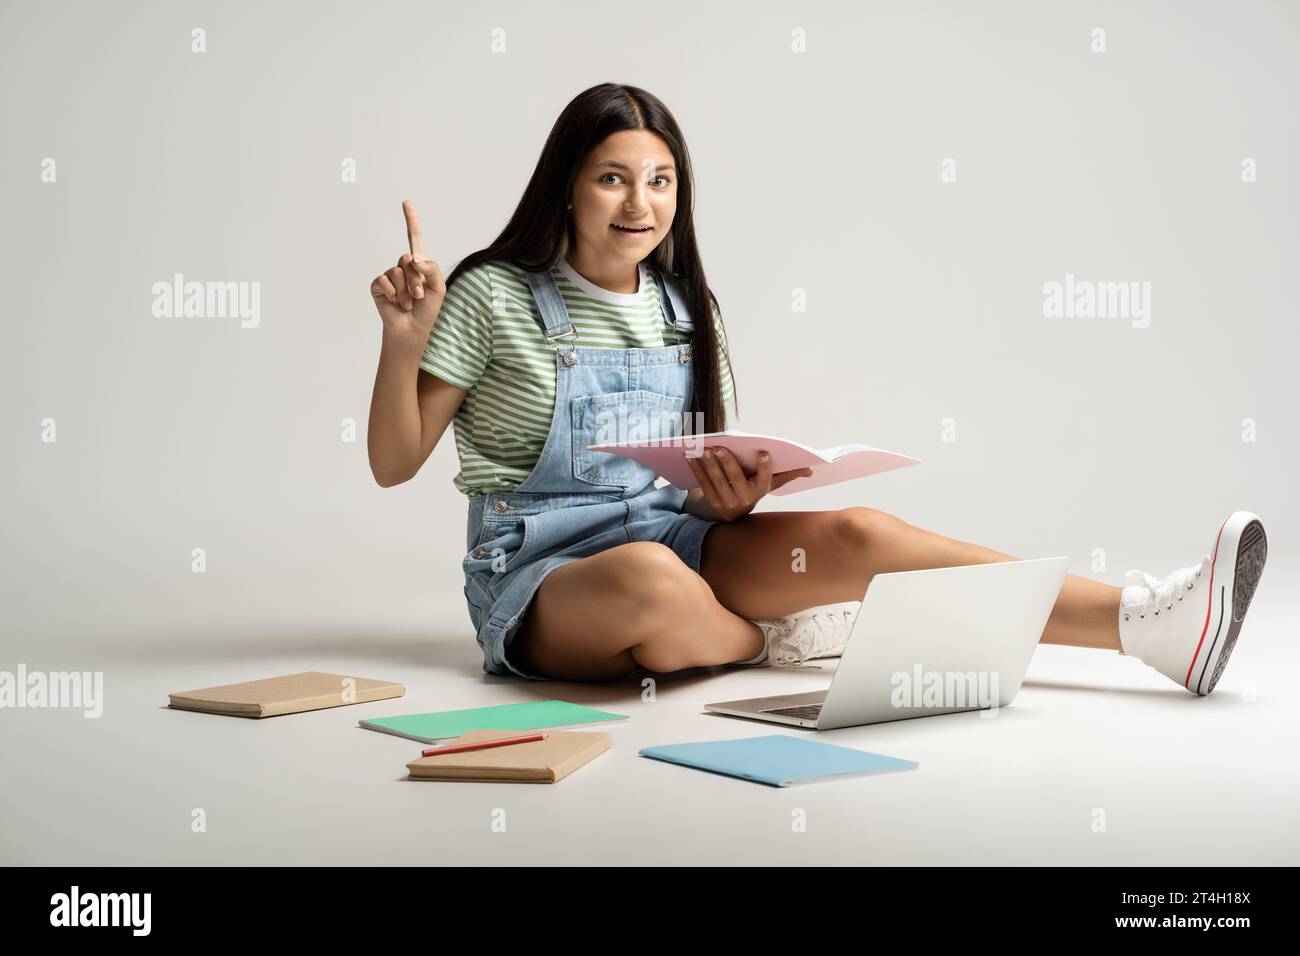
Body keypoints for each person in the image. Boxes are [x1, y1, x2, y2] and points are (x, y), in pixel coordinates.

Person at [366, 83, 1267, 695]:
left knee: (858, 534)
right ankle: (772, 637)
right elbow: (393, 464)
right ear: (567, 188)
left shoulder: (686, 307)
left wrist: (732, 499)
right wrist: (401, 344)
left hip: (678, 549)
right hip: (541, 578)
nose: (639, 203)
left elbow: (694, 494)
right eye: (612, 178)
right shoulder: (491, 294)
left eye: (660, 180)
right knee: (645, 580)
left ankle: (1148, 627)